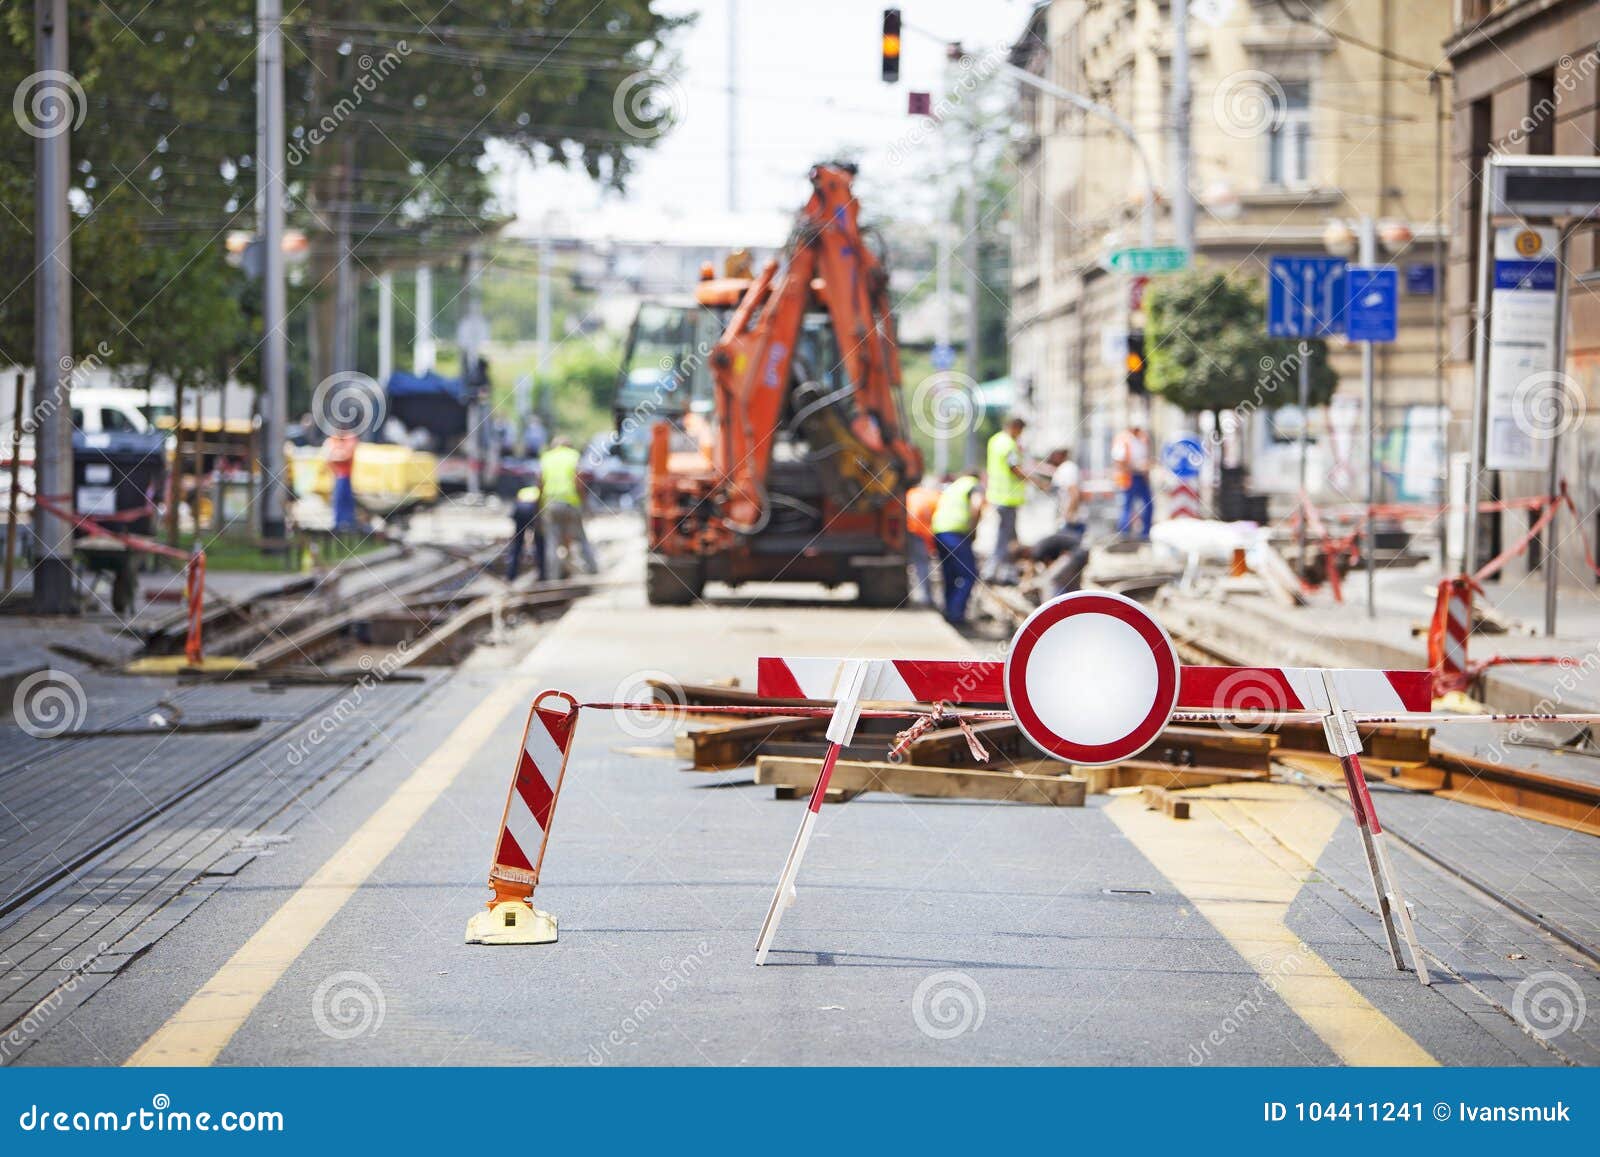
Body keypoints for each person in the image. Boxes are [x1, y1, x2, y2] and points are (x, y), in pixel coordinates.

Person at [929, 471, 984, 626]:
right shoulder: (973, 484)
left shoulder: (955, 486)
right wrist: (974, 529)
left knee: (950, 574)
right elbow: (977, 505)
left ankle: (948, 610)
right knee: (969, 574)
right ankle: (956, 614)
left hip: (939, 530)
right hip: (955, 532)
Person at [540, 435, 597, 580]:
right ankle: (592, 570)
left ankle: (552, 576)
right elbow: (578, 482)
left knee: (552, 542)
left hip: (551, 503)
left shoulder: (546, 457)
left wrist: (540, 508)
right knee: (581, 538)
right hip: (571, 503)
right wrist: (585, 505)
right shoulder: (573, 455)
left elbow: (540, 483)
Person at [982, 416, 1030, 582]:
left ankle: (1006, 571)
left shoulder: (995, 440)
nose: (1020, 435)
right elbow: (1014, 468)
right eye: (1020, 431)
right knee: (1005, 538)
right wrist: (1032, 479)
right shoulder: (1008, 444)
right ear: (1015, 427)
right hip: (1007, 498)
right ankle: (993, 570)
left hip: (997, 496)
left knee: (1010, 536)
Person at [1112, 417, 1154, 540]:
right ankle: (1124, 535)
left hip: (1141, 477)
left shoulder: (1142, 438)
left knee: (1148, 505)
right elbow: (1119, 461)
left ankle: (1145, 534)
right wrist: (1135, 467)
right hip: (1128, 478)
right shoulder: (1123, 439)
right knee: (1127, 506)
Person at [903, 476, 942, 608]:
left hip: (910, 531)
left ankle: (923, 595)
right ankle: (924, 596)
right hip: (923, 533)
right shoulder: (933, 496)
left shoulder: (909, 494)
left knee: (917, 564)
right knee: (922, 564)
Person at [507, 483, 546, 583]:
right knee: (540, 544)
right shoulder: (541, 492)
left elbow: (515, 507)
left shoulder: (523, 491)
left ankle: (511, 574)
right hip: (533, 509)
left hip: (520, 511)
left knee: (517, 544)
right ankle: (542, 574)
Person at [323, 431, 359, 532]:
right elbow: (328, 455)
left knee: (345, 500)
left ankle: (347, 522)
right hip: (337, 475)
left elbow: (345, 456)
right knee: (338, 500)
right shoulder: (333, 439)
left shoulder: (350, 439)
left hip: (345, 475)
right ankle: (339, 522)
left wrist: (336, 455)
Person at [1048, 446, 1081, 526]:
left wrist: (1068, 515)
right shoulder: (1062, 468)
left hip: (1067, 518)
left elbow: (1074, 494)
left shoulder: (1067, 468)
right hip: (1062, 517)